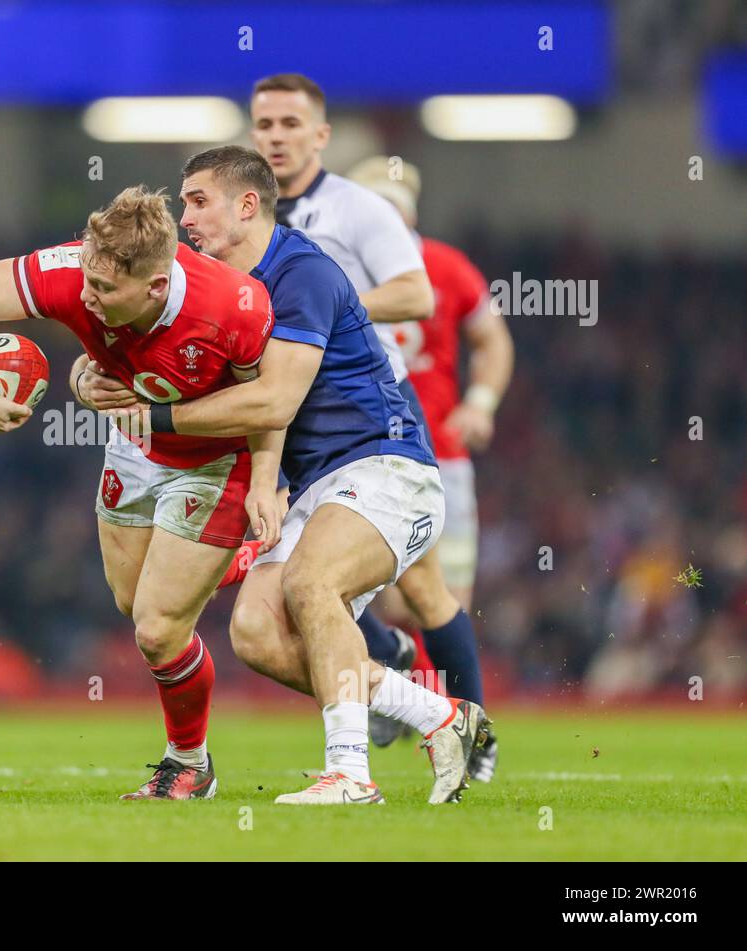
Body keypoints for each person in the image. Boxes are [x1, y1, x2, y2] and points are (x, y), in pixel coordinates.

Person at [94, 147, 490, 804]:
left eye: (197, 200)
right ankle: (440, 715)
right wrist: (94, 372)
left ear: (247, 206)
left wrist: (153, 420)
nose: (183, 216)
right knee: (253, 629)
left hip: (386, 463)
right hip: (317, 485)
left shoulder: (300, 271)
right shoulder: (214, 286)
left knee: (313, 583)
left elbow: (272, 402)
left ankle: (350, 776)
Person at [0, 186, 276, 800]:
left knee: (158, 627)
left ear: (157, 287)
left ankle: (189, 765)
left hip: (216, 460)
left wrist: (269, 485)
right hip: (133, 447)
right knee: (130, 598)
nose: (86, 297)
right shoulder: (76, 269)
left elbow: (266, 406)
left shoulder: (234, 307)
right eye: (88, 278)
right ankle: (244, 559)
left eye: (105, 291)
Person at [246, 72, 489, 743]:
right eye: (264, 125)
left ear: (321, 135)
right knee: (286, 571)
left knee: (414, 587)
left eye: (291, 124)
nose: (276, 137)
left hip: (363, 410)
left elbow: (417, 293)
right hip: (286, 414)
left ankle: (467, 724)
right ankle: (395, 667)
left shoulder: (356, 209)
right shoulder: (247, 219)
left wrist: (326, 310)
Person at [346, 155, 514, 779]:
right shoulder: (337, 269)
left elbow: (493, 337)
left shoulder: (443, 268)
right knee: (369, 600)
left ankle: (464, 728)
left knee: (441, 599)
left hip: (440, 456)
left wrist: (481, 401)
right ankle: (399, 684)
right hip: (364, 456)